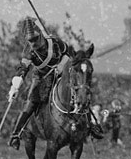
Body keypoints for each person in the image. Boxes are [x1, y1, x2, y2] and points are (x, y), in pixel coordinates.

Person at [7, 17, 103, 149]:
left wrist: (62, 65)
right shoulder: (28, 51)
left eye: (35, 38)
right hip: (40, 78)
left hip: (60, 75)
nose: (33, 42)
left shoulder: (54, 42)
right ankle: (16, 134)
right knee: (31, 103)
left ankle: (92, 125)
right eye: (30, 40)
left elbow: (69, 54)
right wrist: (15, 86)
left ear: (40, 35)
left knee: (79, 92)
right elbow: (23, 69)